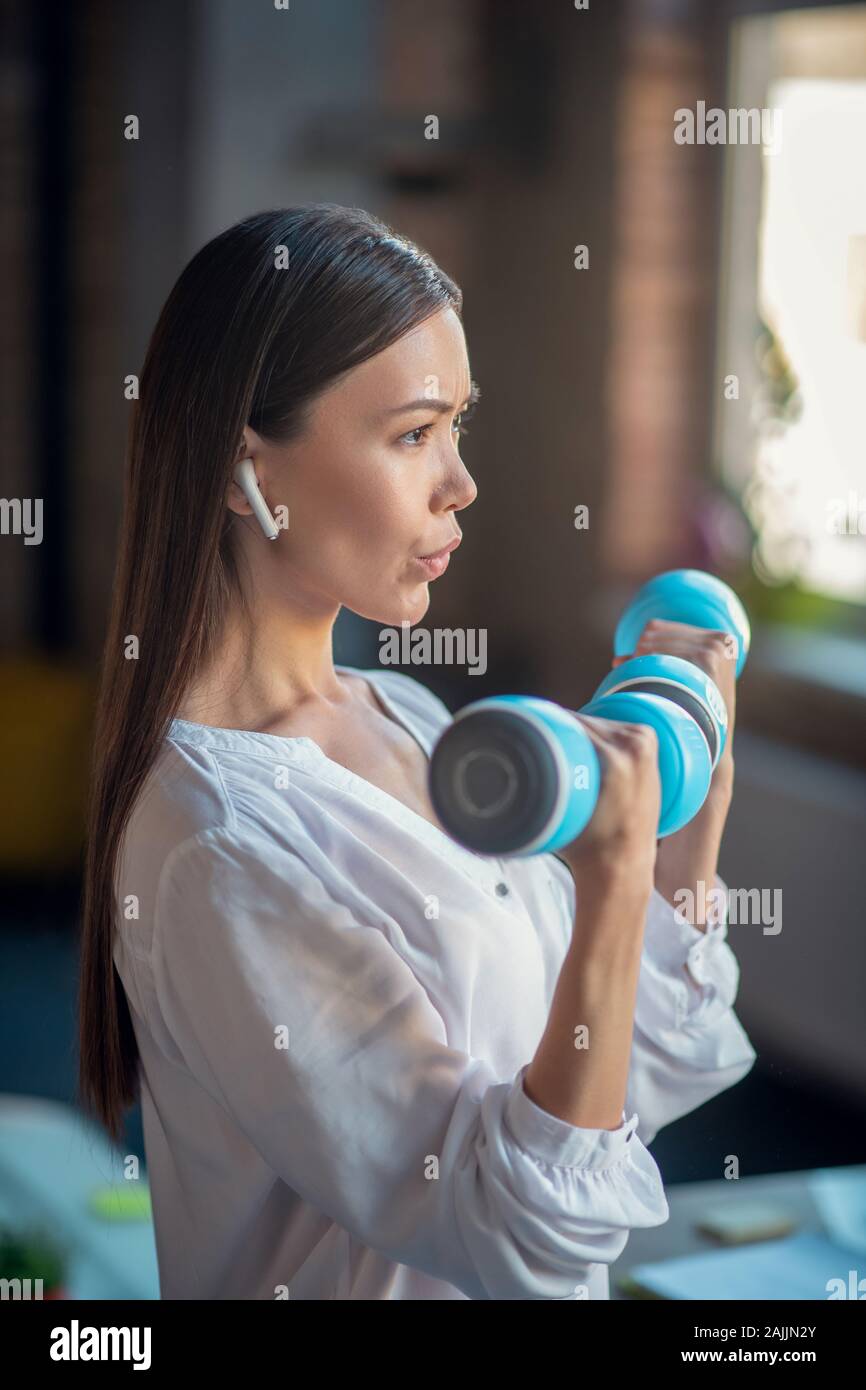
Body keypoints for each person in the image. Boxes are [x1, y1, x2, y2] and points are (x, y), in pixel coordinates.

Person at [78, 203, 756, 1300]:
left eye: (457, 427)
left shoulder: (405, 714)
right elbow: (516, 1236)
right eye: (411, 434)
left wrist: (682, 825)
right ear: (246, 470)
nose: (460, 483)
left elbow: (626, 1067)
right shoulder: (216, 846)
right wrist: (611, 880)